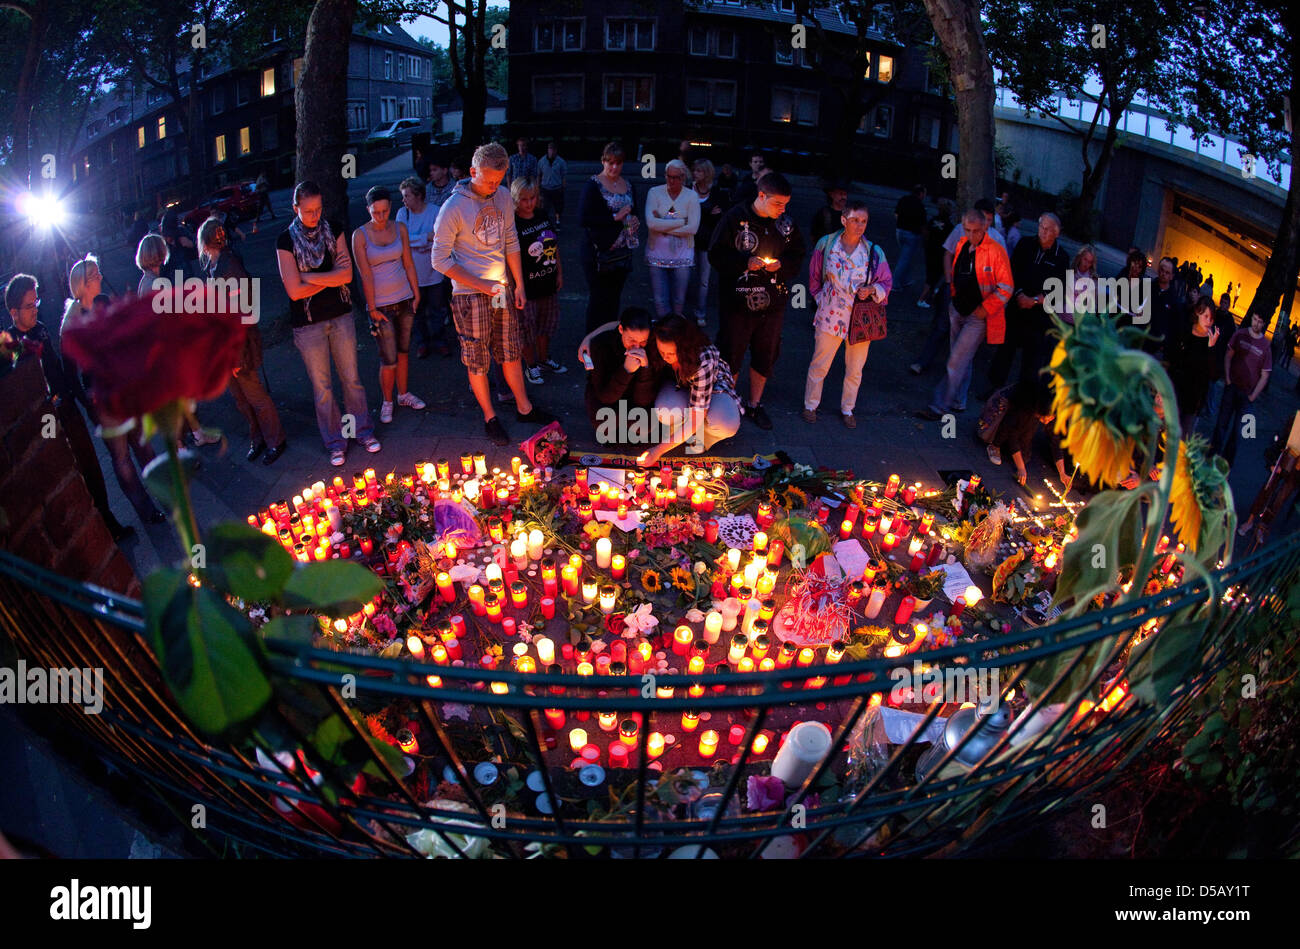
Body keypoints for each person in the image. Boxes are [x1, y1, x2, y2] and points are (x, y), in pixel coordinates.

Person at [432, 142, 552, 446]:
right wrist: (481, 285)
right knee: (477, 358)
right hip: (470, 295)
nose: (494, 187)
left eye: (499, 180)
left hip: (501, 289)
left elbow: (511, 240)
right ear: (473, 172)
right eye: (488, 180)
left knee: (510, 349)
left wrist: (519, 284)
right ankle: (490, 416)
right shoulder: (453, 207)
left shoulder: (501, 197)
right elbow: (439, 260)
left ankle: (524, 408)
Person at [4, 274, 134, 541]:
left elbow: (56, 369)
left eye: (36, 301)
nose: (36, 308)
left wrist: (76, 398)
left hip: (67, 409)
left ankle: (107, 519)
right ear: (13, 311)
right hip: (46, 420)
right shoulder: (10, 345)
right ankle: (86, 531)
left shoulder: (40, 329)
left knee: (91, 465)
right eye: (30, 305)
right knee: (65, 467)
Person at [276, 180, 380, 468]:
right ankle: (336, 441)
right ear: (296, 208)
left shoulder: (333, 229)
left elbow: (346, 276)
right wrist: (328, 277)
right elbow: (294, 292)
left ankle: (363, 431)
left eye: (318, 209)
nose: (314, 216)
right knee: (323, 387)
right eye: (308, 211)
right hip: (308, 325)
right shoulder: (285, 241)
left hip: (340, 315)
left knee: (352, 379)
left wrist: (307, 277)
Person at [61, 256, 167, 525]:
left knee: (142, 444)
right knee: (121, 456)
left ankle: (164, 493)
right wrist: (89, 405)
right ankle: (145, 509)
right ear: (82, 284)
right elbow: (70, 374)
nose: (99, 276)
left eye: (98, 272)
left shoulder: (104, 302)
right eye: (94, 274)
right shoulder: (72, 324)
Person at [708, 171, 806, 431]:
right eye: (777, 204)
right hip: (737, 303)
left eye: (786, 204)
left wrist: (782, 265)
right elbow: (715, 254)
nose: (782, 210)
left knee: (766, 353)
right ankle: (727, 403)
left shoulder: (785, 224)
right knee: (732, 352)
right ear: (761, 196)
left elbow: (797, 253)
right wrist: (744, 263)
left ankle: (754, 404)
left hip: (773, 304)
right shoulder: (734, 218)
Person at [196, 217, 286, 464]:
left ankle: (275, 440)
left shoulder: (229, 267)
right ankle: (258, 438)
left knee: (255, 395)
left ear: (206, 243)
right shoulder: (216, 267)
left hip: (239, 347)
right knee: (241, 399)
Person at [802, 200, 892, 429]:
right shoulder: (827, 244)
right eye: (855, 220)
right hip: (830, 313)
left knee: (855, 368)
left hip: (860, 319)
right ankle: (811, 405)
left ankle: (848, 408)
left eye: (864, 221)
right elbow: (814, 274)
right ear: (844, 220)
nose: (860, 226)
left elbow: (886, 282)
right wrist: (819, 296)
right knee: (820, 363)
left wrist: (872, 290)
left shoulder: (873, 251)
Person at [917, 208, 1014, 421]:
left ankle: (938, 406)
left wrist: (985, 309)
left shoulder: (995, 251)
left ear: (984, 228)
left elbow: (1006, 287)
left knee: (956, 360)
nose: (971, 235)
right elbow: (955, 270)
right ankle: (958, 400)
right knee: (961, 359)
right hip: (958, 309)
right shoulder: (962, 244)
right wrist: (952, 296)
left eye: (975, 231)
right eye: (967, 230)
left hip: (976, 316)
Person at [352, 186, 426, 425]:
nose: (381, 216)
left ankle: (403, 394)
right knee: (388, 358)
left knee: (403, 351)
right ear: (368, 209)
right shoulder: (360, 235)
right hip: (381, 306)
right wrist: (371, 308)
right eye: (376, 212)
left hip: (404, 298)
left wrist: (416, 293)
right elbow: (364, 274)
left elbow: (408, 263)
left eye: (385, 211)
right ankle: (387, 401)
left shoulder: (400, 229)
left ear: (390, 208)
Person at [637, 314, 742, 463]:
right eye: (662, 352)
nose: (665, 358)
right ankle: (677, 435)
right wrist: (590, 338)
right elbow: (623, 326)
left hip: (711, 386)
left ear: (684, 349)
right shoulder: (659, 330)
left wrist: (657, 451)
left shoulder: (703, 360)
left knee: (726, 423)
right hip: (677, 382)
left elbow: (695, 418)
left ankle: (701, 438)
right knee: (666, 411)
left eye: (671, 354)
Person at [988, 213, 1069, 392]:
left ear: (1056, 233)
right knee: (1005, 349)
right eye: (1041, 227)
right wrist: (1019, 294)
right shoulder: (1025, 244)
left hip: (1039, 315)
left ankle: (1021, 398)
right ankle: (994, 389)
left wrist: (1034, 300)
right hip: (1017, 306)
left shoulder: (1061, 257)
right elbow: (1012, 271)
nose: (1043, 232)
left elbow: (1058, 289)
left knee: (1031, 358)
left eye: (1048, 229)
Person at [578, 142, 640, 333]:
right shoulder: (593, 185)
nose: (614, 167)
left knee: (614, 301)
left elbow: (633, 210)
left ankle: (609, 341)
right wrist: (615, 217)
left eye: (618, 163)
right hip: (598, 254)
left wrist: (634, 220)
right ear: (603, 161)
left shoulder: (628, 185)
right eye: (610, 162)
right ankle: (591, 344)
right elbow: (583, 218)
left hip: (622, 254)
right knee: (598, 300)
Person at [510, 176, 566, 384]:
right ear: (515, 199)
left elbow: (553, 245)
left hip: (548, 282)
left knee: (546, 325)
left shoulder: (542, 215)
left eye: (533, 197)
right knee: (526, 328)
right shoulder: (513, 223)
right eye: (524, 199)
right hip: (527, 288)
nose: (529, 202)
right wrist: (516, 286)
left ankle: (543, 359)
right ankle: (531, 365)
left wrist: (559, 271)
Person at [583, 306, 663, 436]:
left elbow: (644, 401)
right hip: (607, 399)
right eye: (632, 340)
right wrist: (626, 371)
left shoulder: (653, 346)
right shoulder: (601, 345)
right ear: (621, 329)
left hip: (636, 402)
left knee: (644, 426)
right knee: (606, 425)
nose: (637, 347)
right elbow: (605, 396)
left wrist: (645, 369)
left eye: (643, 342)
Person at [1212, 311, 1272, 465]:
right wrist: (1228, 378)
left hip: (1247, 395)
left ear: (1264, 324)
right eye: (1255, 319)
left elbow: (1265, 375)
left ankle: (1226, 463)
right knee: (1221, 424)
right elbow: (1228, 355)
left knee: (1238, 432)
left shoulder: (1265, 347)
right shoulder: (1240, 335)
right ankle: (1212, 456)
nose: (1256, 323)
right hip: (1232, 387)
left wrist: (1253, 396)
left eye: (1260, 321)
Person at [984, 380, 1067, 487]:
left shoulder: (1052, 411)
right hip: (1008, 413)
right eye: (1046, 418)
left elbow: (1055, 441)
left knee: (1025, 457)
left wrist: (1062, 473)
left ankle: (1010, 449)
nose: (1047, 421)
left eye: (1051, 419)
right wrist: (1021, 468)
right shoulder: (1027, 407)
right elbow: (1012, 434)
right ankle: (994, 446)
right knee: (1012, 431)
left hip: (1028, 418)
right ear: (1040, 411)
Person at [645, 159, 701, 319]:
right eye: (669, 176)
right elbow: (651, 223)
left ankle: (675, 329)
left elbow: (693, 228)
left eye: (676, 177)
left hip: (683, 255)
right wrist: (681, 221)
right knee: (659, 299)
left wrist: (662, 223)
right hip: (656, 253)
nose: (672, 180)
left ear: (683, 177)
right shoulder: (654, 193)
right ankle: (663, 328)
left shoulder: (691, 196)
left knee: (679, 299)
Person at [396, 176, 440, 360]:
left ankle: (440, 341)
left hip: (434, 270)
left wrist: (416, 240)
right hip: (413, 272)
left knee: (438, 308)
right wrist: (424, 239)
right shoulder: (402, 214)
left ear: (418, 195)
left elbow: (439, 237)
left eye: (407, 196)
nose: (404, 200)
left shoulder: (435, 211)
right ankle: (422, 342)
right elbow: (401, 240)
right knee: (417, 310)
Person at [1165, 295, 1221, 438]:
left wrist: (1211, 348)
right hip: (1175, 391)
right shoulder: (1185, 332)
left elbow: (1214, 374)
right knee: (1166, 433)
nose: (1209, 321)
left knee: (1183, 438)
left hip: (1193, 399)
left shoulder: (1212, 341)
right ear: (1197, 312)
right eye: (1206, 316)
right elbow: (1171, 359)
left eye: (1211, 318)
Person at [910, 198, 955, 373]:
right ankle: (922, 298)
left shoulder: (934, 222)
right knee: (932, 279)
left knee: (931, 278)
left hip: (932, 254)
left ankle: (925, 296)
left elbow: (926, 233)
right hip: (938, 256)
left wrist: (926, 246)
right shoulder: (951, 228)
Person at [424, 155, 459, 357]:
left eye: (436, 169)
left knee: (452, 283)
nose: (432, 173)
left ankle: (454, 314)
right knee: (440, 285)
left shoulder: (455, 190)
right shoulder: (428, 191)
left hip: (455, 244)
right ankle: (445, 314)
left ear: (445, 170)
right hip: (437, 244)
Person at [687, 158, 724, 328]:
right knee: (685, 275)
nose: (696, 174)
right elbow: (685, 213)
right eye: (695, 170)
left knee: (704, 279)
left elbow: (719, 217)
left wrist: (702, 213)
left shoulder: (715, 192)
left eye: (699, 171)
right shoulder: (688, 189)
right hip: (688, 239)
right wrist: (707, 212)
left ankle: (700, 312)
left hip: (705, 242)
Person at [893, 184, 927, 288]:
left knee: (905, 257)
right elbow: (922, 224)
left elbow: (896, 214)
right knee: (905, 259)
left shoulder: (903, 200)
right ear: (921, 194)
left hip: (900, 231)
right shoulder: (920, 206)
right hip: (912, 234)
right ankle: (895, 283)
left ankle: (904, 279)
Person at [1068, 244, 1100, 324]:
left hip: (1080, 322)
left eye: (1090, 262)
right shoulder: (1069, 271)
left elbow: (1093, 306)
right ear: (1080, 257)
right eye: (1085, 259)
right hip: (1063, 318)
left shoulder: (1093, 280)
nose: (1086, 264)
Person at [811, 178, 850, 243]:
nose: (843, 197)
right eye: (840, 194)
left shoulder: (851, 214)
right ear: (831, 194)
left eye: (845, 194)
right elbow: (814, 236)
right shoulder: (822, 214)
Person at [537, 141, 568, 217]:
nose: (552, 151)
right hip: (545, 189)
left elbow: (563, 176)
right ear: (548, 150)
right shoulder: (542, 161)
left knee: (558, 208)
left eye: (553, 149)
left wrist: (563, 188)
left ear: (556, 150)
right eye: (550, 149)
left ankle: (558, 223)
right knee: (545, 209)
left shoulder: (561, 162)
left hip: (557, 189)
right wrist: (538, 188)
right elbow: (539, 175)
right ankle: (545, 223)